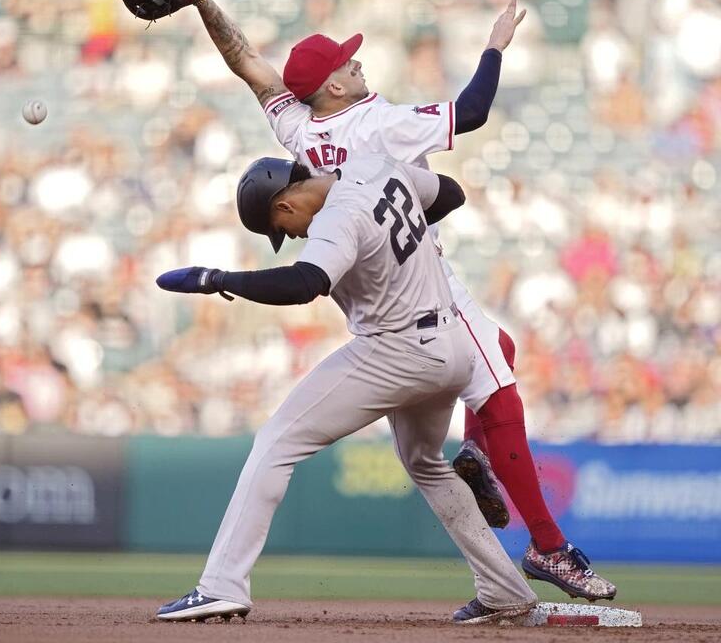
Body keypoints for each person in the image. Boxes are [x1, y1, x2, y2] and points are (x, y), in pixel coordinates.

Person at [116, 0, 616, 601]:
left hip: (395, 314)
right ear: (331, 87)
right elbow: (469, 121)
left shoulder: (300, 136)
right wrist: (494, 50)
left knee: (474, 384)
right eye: (347, 61)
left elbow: (249, 67)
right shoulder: (378, 129)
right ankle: (521, 566)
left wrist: (203, 4)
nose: (359, 62)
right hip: (427, 281)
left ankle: (507, 511)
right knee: (465, 410)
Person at [154, 156, 538, 624]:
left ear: (287, 199)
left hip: (399, 348)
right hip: (453, 344)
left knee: (277, 441)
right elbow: (452, 193)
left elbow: (304, 284)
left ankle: (220, 586)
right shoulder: (378, 167)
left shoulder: (336, 217)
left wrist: (216, 280)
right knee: (424, 462)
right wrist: (393, 237)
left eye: (279, 224)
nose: (289, 236)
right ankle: (503, 589)